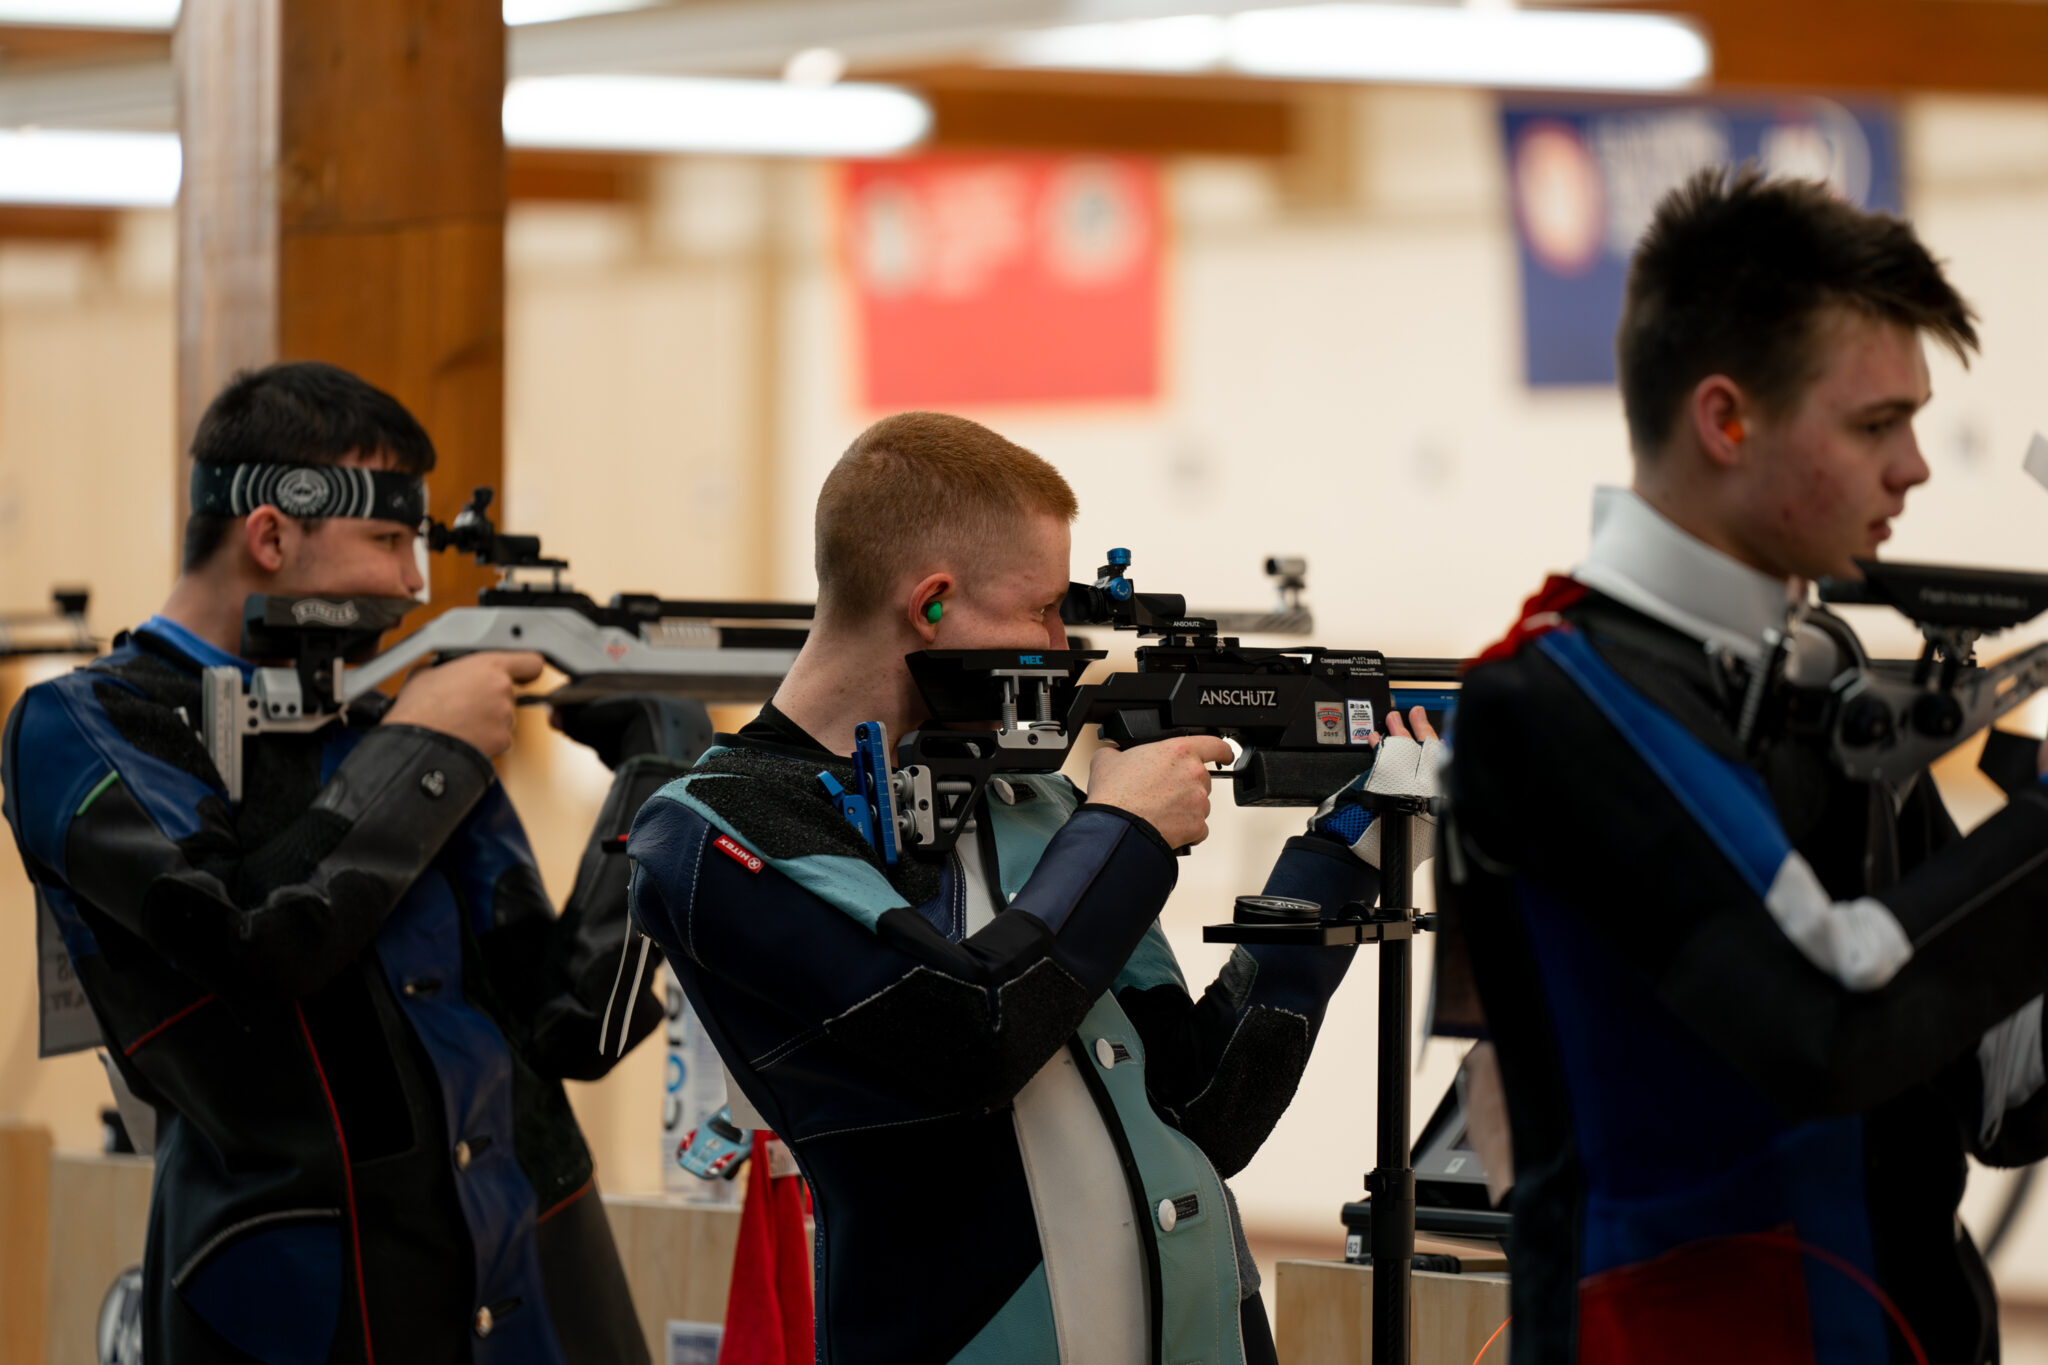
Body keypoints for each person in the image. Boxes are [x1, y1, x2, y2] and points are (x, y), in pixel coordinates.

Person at [626, 411, 1434, 1365]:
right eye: (1043, 609)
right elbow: (967, 1032)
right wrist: (1124, 831)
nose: (1063, 644)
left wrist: (1347, 852)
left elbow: (1206, 1105)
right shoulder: (714, 828)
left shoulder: (1035, 799)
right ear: (931, 604)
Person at [1442, 167, 2048, 1364]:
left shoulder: (1811, 683)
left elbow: (1991, 1086)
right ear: (1726, 420)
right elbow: (1823, 1025)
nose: (1915, 467)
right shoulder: (1550, 698)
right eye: (1876, 423)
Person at [2, 361, 690, 1365]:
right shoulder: (88, 722)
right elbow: (249, 942)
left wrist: (654, 785)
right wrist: (430, 749)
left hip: (535, 1284)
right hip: (300, 1306)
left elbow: (570, 1023)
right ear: (271, 535)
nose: (414, 582)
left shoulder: (389, 726)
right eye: (388, 540)